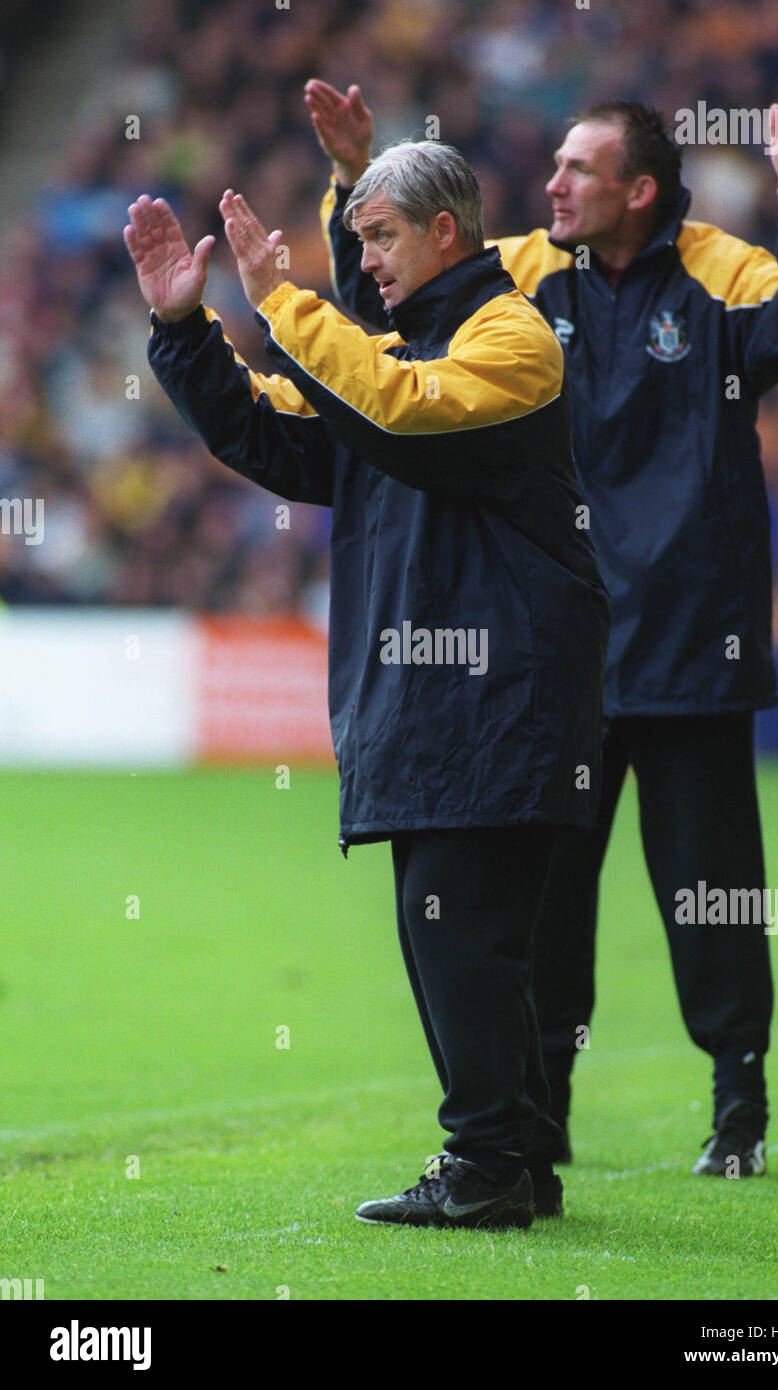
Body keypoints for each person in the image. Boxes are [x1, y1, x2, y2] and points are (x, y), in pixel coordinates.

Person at [308, 81, 778, 1175]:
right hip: (558, 650)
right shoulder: (516, 272)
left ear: (638, 190)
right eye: (553, 165)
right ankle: (539, 1119)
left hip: (690, 639)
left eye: (576, 170)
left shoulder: (724, 271)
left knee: (710, 889)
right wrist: (354, 180)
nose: (550, 184)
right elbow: (392, 313)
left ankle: (737, 1104)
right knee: (545, 910)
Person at [123, 140, 609, 1227]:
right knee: (460, 930)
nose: (367, 258)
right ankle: (514, 1157)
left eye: (379, 235)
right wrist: (184, 330)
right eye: (358, 241)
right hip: (435, 690)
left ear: (448, 232)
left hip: (501, 685)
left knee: (463, 932)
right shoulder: (384, 359)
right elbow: (274, 430)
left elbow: (399, 406)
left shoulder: (508, 336)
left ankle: (483, 1166)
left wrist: (286, 303)